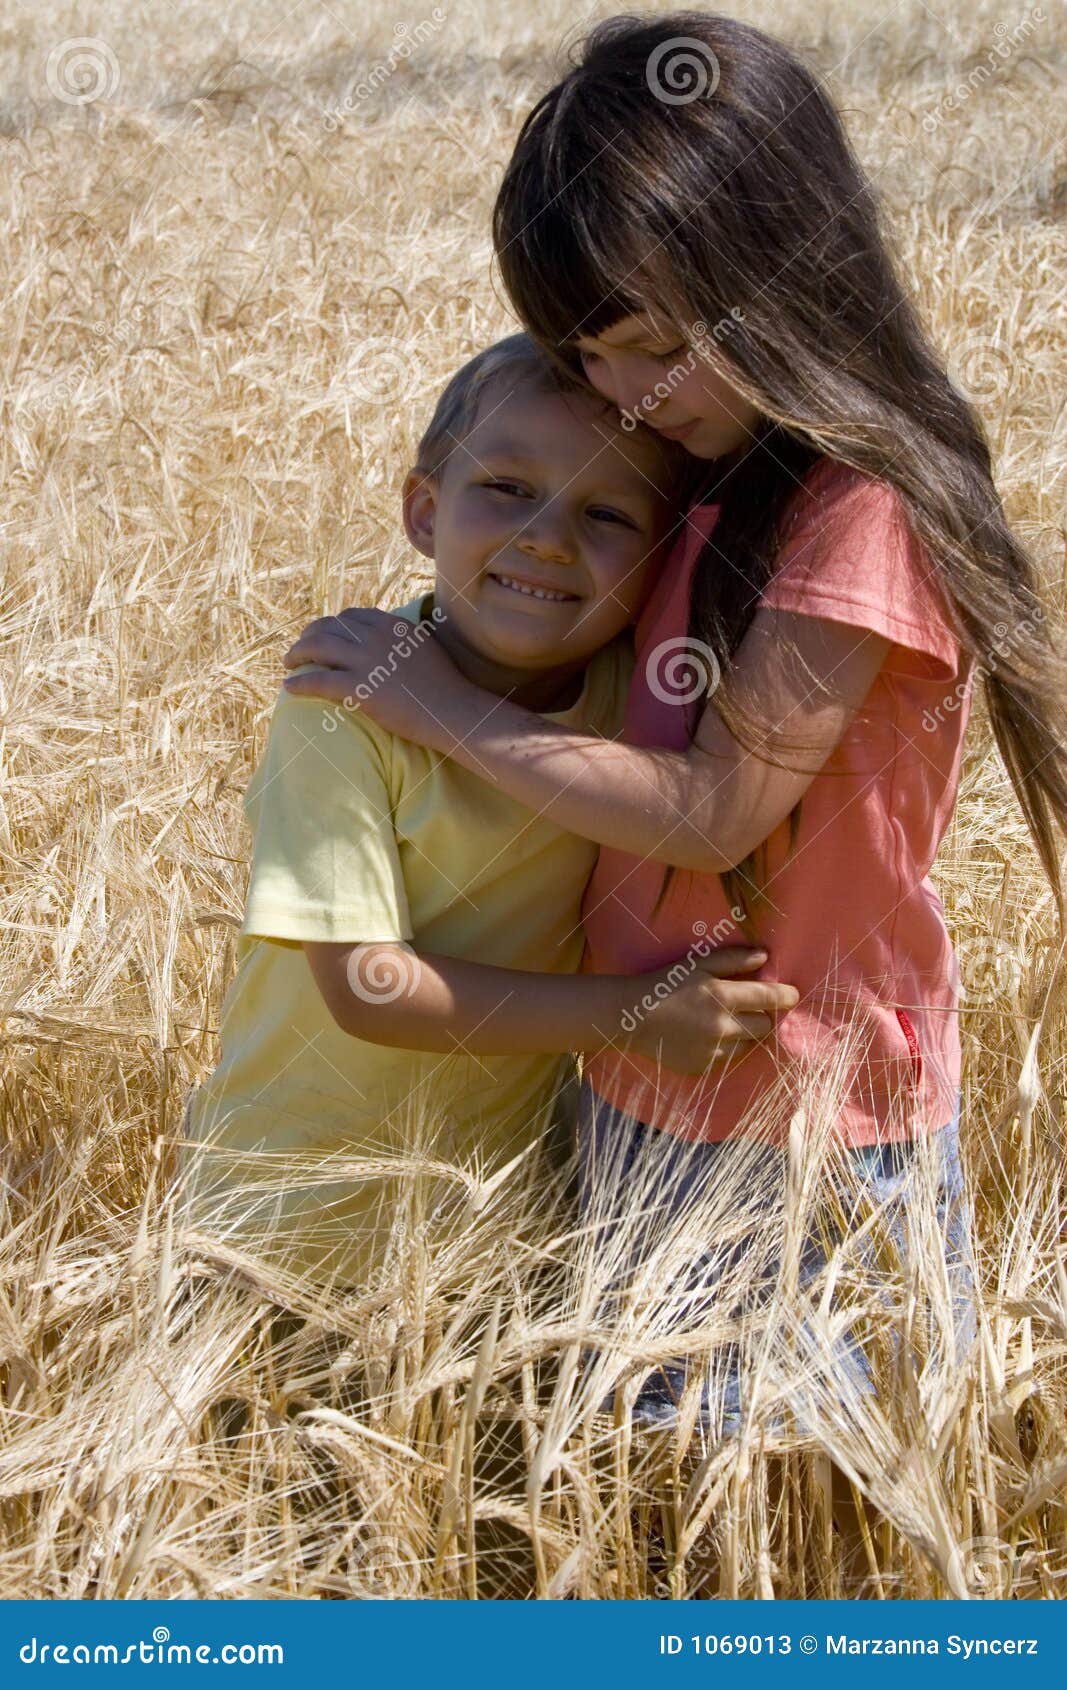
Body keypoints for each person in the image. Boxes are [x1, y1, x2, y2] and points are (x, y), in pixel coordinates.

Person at [280, 9, 1067, 1504]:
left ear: (777, 263)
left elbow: (711, 811)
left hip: (807, 1116)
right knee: (665, 1493)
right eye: (594, 350)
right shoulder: (710, 480)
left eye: (655, 339)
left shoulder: (860, 517)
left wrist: (427, 707)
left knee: (806, 1491)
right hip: (646, 1077)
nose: (629, 389)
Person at [181, 332, 798, 1293]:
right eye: (506, 489)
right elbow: (367, 988)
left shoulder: (635, 700)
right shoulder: (343, 705)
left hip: (500, 1220)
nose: (547, 538)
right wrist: (636, 1017)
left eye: (606, 513)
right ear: (424, 512)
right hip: (287, 1222)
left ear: (662, 565)